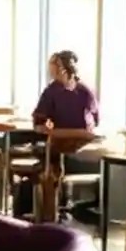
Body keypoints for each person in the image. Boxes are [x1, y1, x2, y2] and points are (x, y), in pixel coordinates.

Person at [17, 51, 101, 221]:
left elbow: (94, 122)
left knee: (51, 166)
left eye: (54, 69)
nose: (52, 74)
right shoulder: (59, 91)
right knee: (50, 166)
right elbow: (39, 119)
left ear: (64, 70)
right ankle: (50, 215)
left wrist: (50, 128)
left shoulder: (78, 92)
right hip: (71, 148)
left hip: (74, 149)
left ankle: (51, 216)